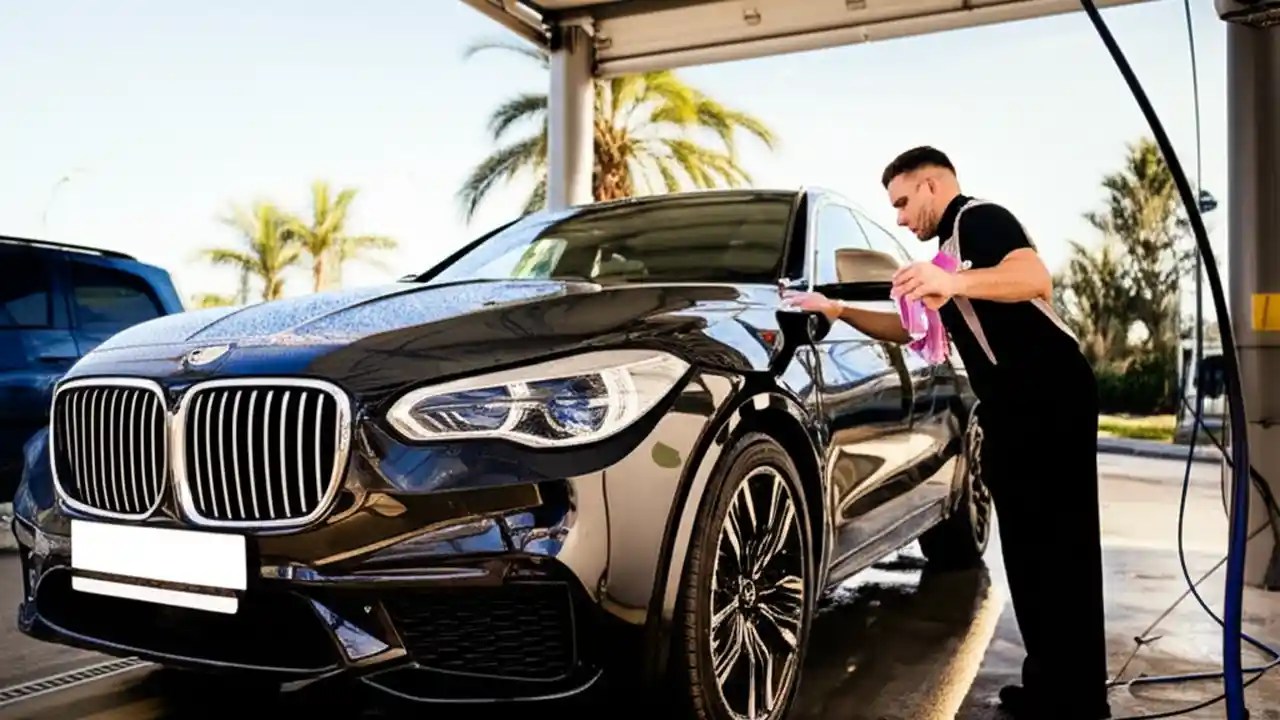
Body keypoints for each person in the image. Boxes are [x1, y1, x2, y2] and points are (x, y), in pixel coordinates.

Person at [788, 146, 1110, 719]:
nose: (901, 218)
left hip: (1051, 393)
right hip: (1011, 406)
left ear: (933, 185)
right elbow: (909, 330)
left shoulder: (977, 219)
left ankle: (1079, 699)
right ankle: (1048, 684)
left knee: (1063, 547)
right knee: (1028, 549)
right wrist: (837, 310)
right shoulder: (944, 260)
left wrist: (955, 283)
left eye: (905, 202)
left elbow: (1033, 277)